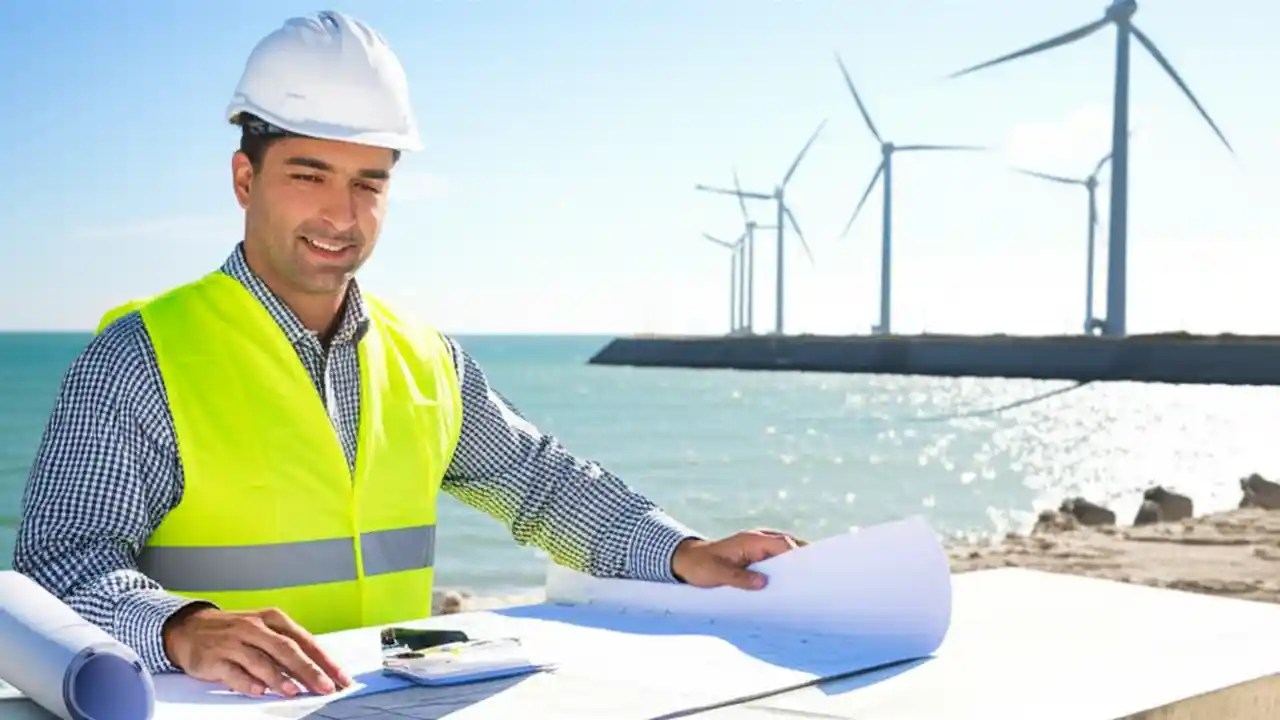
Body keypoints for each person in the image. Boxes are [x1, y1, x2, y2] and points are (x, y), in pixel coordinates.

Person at [12, 10, 803, 700]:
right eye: (309, 174)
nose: (339, 213)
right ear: (244, 178)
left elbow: (545, 488)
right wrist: (184, 626)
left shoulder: (426, 358)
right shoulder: (142, 357)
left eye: (369, 183)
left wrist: (682, 552)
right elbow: (56, 561)